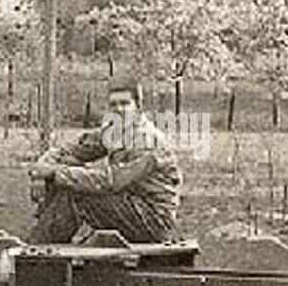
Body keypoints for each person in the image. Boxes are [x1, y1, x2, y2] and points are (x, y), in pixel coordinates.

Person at [28, 79, 181, 244]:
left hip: (154, 218)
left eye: (125, 103)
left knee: (77, 192)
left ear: (138, 106)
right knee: (69, 167)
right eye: (113, 105)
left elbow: (111, 181)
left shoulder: (146, 138)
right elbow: (67, 150)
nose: (119, 109)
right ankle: (43, 245)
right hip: (130, 206)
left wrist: (54, 173)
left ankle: (38, 249)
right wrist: (40, 172)